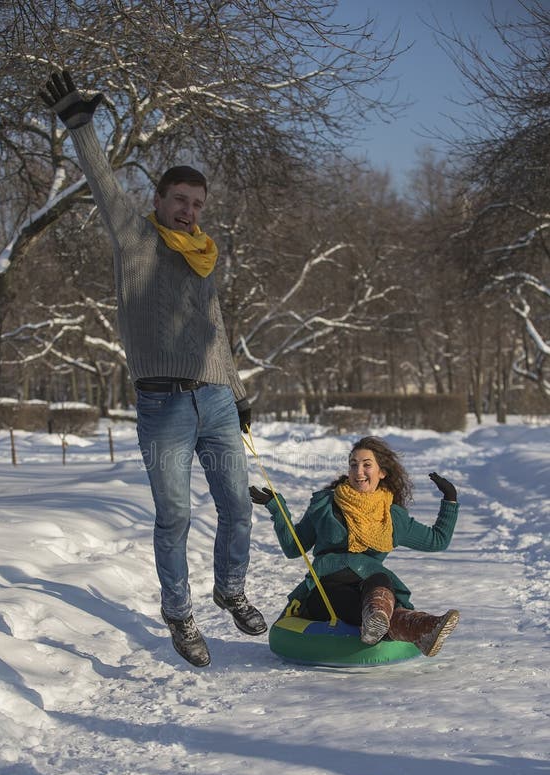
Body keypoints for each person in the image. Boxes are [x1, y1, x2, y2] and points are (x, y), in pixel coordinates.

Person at [39, 70, 266, 668]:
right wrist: (81, 125)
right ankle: (179, 613)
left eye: (197, 204)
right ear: (159, 203)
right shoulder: (137, 242)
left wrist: (238, 392)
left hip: (215, 401)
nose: (190, 212)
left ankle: (230, 590)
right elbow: (104, 185)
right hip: (165, 407)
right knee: (177, 514)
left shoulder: (207, 259)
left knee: (238, 506)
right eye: (180, 201)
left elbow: (216, 330)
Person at [250, 436, 460, 657]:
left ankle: (413, 624)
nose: (359, 471)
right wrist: (278, 509)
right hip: (326, 587)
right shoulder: (326, 506)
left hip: (370, 587)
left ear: (382, 472)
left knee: (380, 580)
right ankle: (412, 625)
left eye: (366, 465)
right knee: (346, 598)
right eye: (353, 464)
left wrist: (450, 499)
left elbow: (438, 540)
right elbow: (294, 548)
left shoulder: (392, 517)